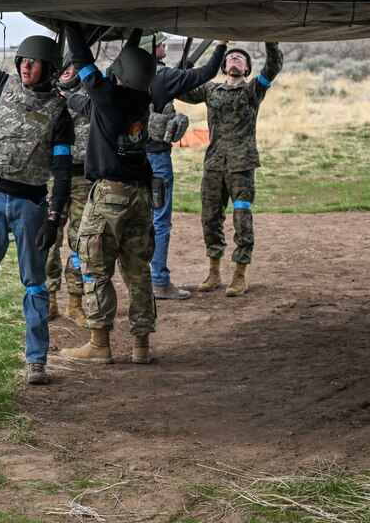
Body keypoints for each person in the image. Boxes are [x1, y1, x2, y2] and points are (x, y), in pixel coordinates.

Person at [0, 14, 74, 386]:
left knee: (35, 284)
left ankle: (36, 361)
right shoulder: (0, 87)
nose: (26, 66)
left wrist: (54, 218)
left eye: (35, 62)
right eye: (23, 60)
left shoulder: (59, 112)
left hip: (30, 206)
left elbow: (61, 171)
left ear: (48, 68)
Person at [57, 25, 159, 365]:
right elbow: (92, 106)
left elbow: (83, 59)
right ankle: (141, 346)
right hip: (141, 196)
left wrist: (69, 24)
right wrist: (136, 33)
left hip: (109, 195)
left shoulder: (109, 97)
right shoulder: (138, 100)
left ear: (118, 75)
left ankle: (99, 344)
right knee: (137, 268)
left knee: (95, 263)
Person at [178, 43, 283, 296]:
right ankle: (214, 272)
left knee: (242, 220)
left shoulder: (252, 91)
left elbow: (274, 65)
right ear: (224, 66)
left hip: (242, 167)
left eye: (241, 58)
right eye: (230, 57)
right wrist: (186, 65)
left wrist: (269, 39)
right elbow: (180, 87)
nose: (235, 59)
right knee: (210, 217)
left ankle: (239, 275)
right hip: (214, 164)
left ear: (246, 69)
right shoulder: (211, 89)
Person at [145, 35, 229, 300]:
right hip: (156, 157)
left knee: (132, 220)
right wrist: (221, 45)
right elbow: (207, 73)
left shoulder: (119, 74)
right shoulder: (163, 77)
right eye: (161, 44)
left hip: (127, 157)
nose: (165, 48)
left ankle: (136, 281)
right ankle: (158, 281)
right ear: (152, 48)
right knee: (159, 222)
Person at [46, 63, 92, 326]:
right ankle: (49, 300)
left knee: (80, 241)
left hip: (83, 177)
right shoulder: (45, 96)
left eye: (72, 65)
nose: (66, 69)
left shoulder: (90, 94)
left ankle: (75, 303)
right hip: (53, 177)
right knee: (49, 240)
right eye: (61, 64)